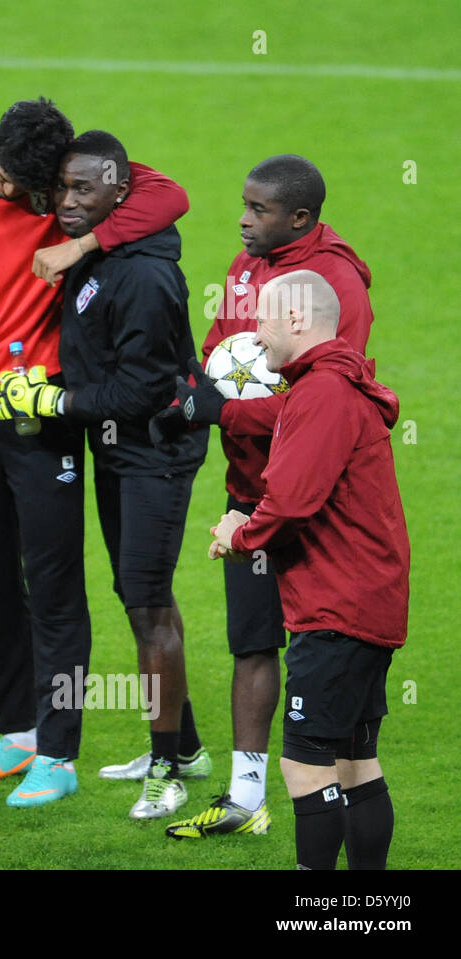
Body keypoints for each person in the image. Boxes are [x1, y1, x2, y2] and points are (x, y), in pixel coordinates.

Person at [0, 101, 193, 807]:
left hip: (41, 406)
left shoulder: (69, 199)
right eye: (7, 176)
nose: (16, 192)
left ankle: (59, 752)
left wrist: (77, 245)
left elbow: (169, 194)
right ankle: (15, 735)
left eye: (33, 185)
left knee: (52, 582)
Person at [153, 155, 374, 839]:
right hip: (250, 489)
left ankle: (342, 784)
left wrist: (219, 414)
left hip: (313, 504)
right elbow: (220, 352)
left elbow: (322, 403)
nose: (243, 220)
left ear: (299, 217)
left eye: (258, 210)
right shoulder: (246, 267)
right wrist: (191, 392)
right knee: (252, 640)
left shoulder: (337, 283)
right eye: (244, 206)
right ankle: (247, 799)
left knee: (322, 643)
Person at [0, 130, 208, 819]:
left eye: (82, 189)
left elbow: (140, 392)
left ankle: (168, 770)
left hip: (156, 450)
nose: (66, 202)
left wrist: (51, 400)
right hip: (123, 450)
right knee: (139, 591)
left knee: (147, 603)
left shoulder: (144, 276)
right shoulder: (106, 251)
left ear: (120, 192)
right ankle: (190, 747)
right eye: (60, 188)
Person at [208, 272, 407, 869]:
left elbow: (292, 502)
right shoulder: (339, 385)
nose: (255, 335)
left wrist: (237, 533)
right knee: (354, 762)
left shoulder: (320, 393)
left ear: (296, 320)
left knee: (305, 762)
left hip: (336, 611)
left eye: (263, 319)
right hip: (366, 603)